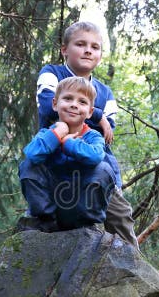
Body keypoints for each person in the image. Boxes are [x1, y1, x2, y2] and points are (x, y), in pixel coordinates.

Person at [34, 21, 138, 246]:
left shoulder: (105, 92)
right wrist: (96, 115)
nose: (88, 50)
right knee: (43, 218)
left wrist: (99, 116)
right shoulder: (51, 74)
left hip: (95, 165)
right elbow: (46, 106)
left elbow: (106, 131)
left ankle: (135, 268)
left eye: (95, 47)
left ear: (100, 54)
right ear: (65, 49)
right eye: (80, 44)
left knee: (120, 215)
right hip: (54, 160)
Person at [19, 76, 115, 231]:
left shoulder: (93, 136)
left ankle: (86, 224)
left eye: (82, 102)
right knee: (29, 165)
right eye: (68, 98)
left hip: (81, 202)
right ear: (55, 104)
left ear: (90, 112)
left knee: (104, 169)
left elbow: (96, 156)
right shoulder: (47, 133)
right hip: (52, 205)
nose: (74, 105)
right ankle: (45, 221)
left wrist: (68, 143)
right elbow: (31, 154)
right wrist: (57, 135)